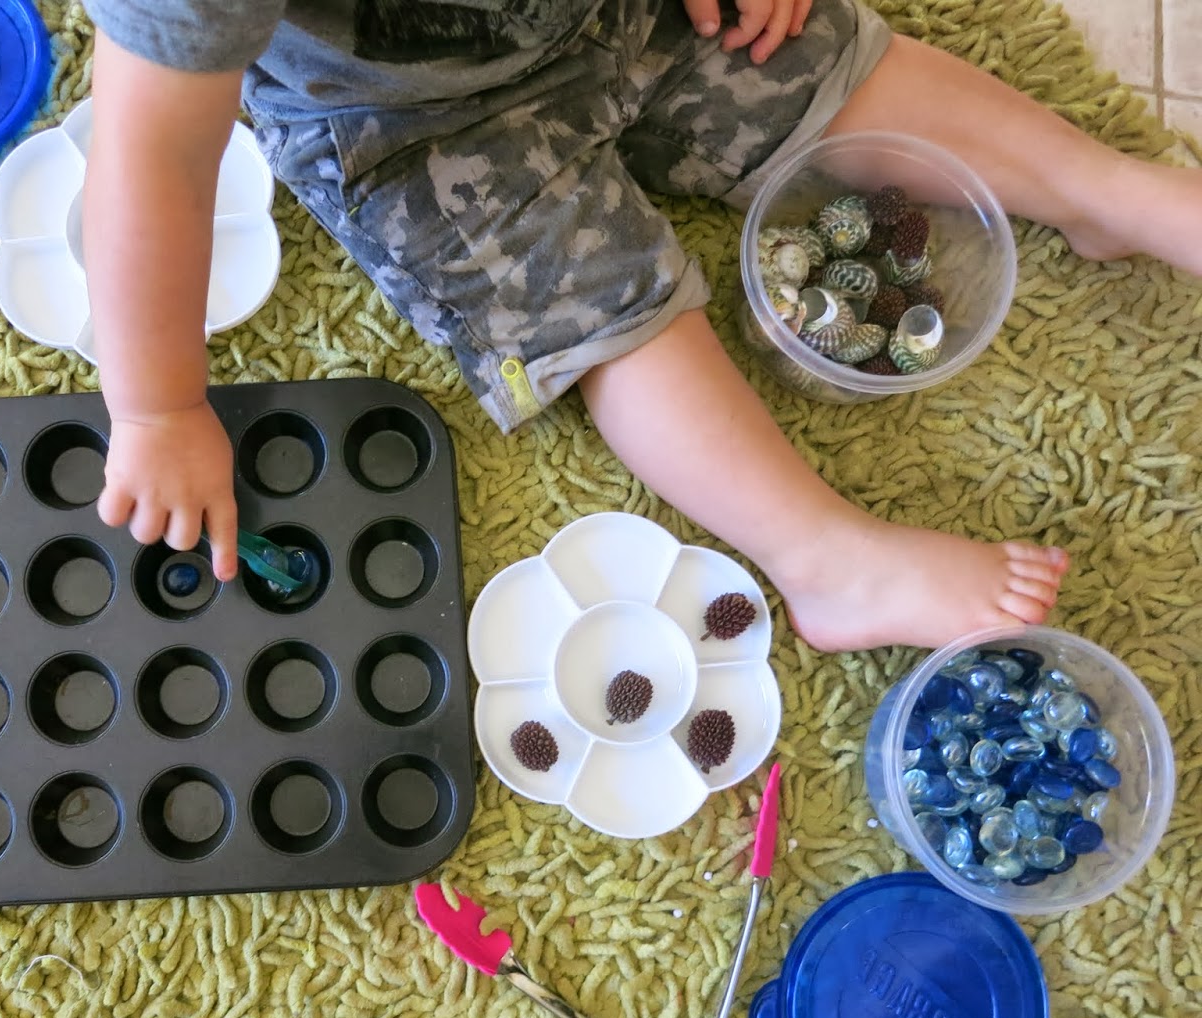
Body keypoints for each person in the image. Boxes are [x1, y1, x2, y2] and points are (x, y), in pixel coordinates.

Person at [78, 0, 1197, 652]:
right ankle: (823, 557)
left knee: (820, 62)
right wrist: (158, 405)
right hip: (407, 118)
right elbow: (153, 161)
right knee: (587, 295)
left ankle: (1109, 195)